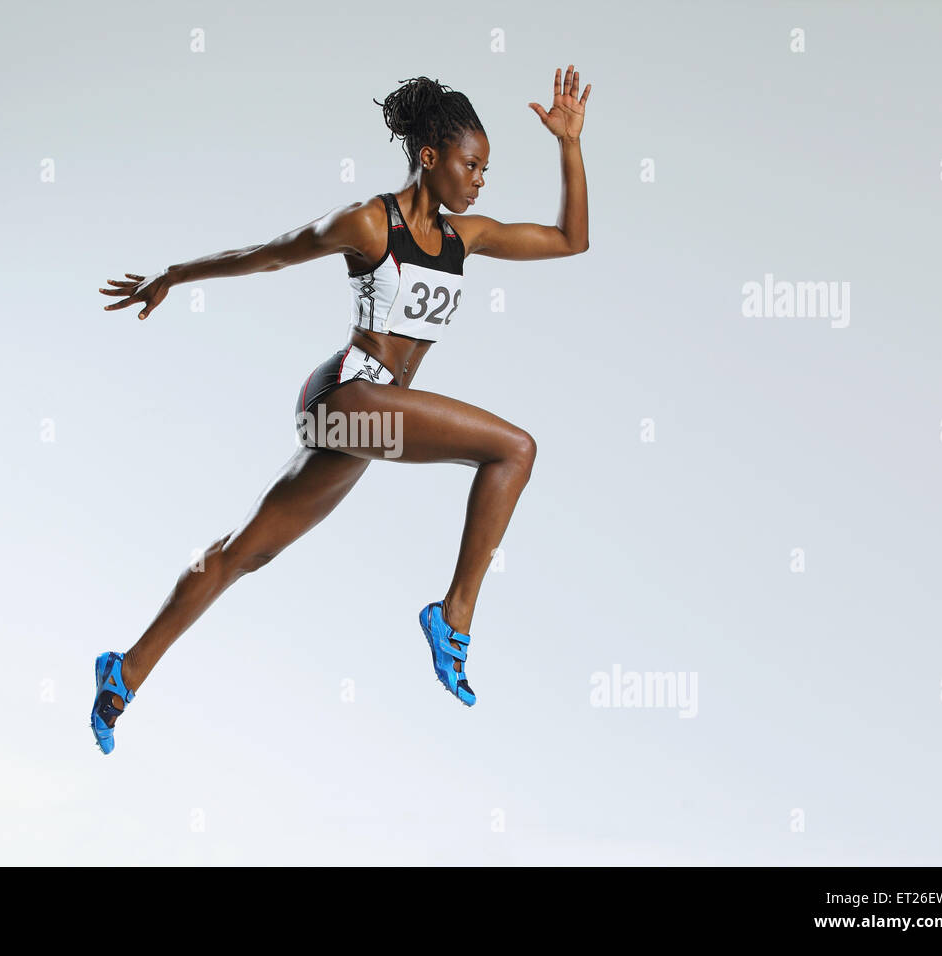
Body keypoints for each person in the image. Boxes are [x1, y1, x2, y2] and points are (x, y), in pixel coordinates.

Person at [91, 66, 591, 753]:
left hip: (371, 421)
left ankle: (126, 671)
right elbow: (265, 255)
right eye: (471, 165)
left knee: (245, 553)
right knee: (514, 448)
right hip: (344, 399)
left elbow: (571, 240)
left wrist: (569, 144)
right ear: (430, 157)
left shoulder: (464, 239)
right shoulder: (368, 223)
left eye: (486, 169)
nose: (480, 180)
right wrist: (174, 275)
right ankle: (455, 617)